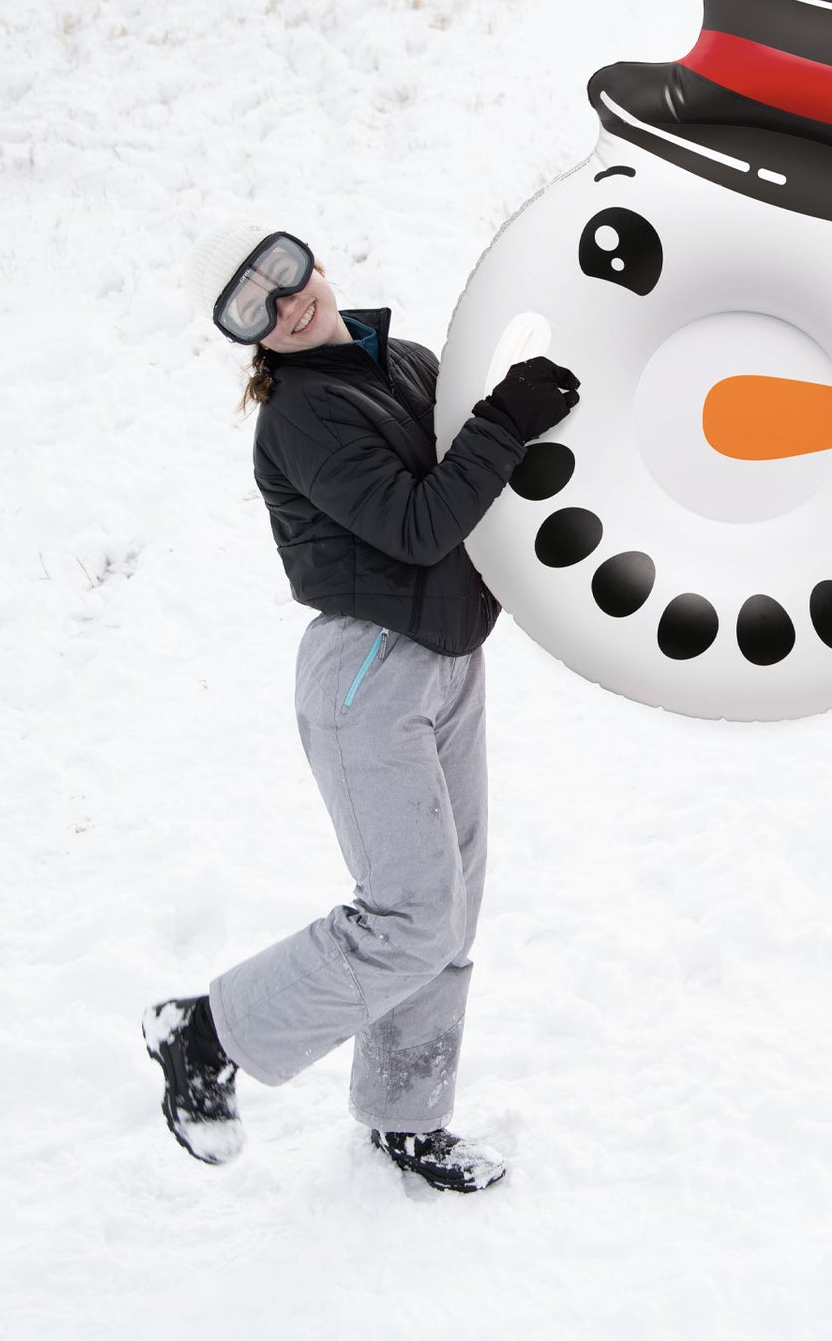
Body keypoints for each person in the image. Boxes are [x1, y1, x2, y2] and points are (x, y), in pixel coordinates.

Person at [142, 221, 579, 1194]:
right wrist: (505, 424)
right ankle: (203, 1033)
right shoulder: (299, 417)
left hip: (450, 664)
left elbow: (477, 480)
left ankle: (406, 1117)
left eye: (286, 273)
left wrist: (542, 410)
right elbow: (421, 525)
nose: (288, 303)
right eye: (256, 306)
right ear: (249, 335)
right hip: (368, 676)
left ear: (313, 262)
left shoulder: (405, 362)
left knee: (450, 915)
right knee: (412, 916)